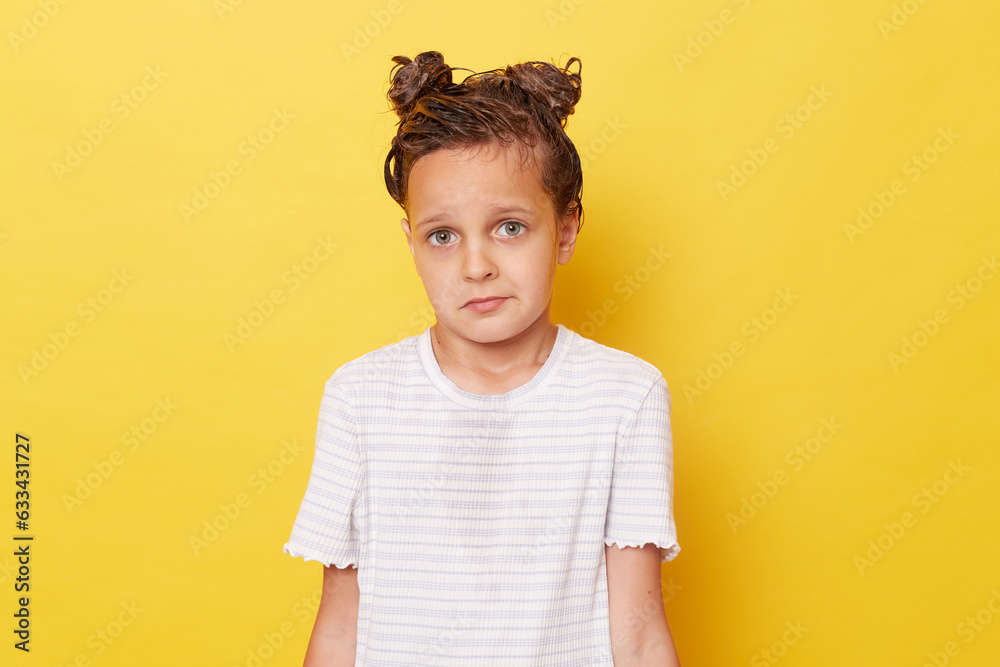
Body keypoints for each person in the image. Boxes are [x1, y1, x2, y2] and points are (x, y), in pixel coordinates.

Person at [283, 49, 681, 666]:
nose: (476, 266)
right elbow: (341, 617)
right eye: (443, 236)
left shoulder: (624, 397)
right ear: (412, 242)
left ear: (567, 227)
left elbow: (637, 625)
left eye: (510, 227)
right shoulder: (360, 397)